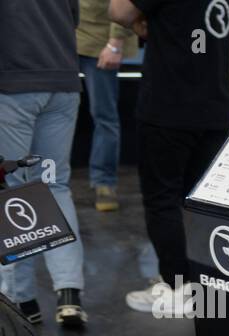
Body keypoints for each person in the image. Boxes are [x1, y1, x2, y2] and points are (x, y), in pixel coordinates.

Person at [110, 0, 229, 316]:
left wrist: (140, 20)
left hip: (170, 105)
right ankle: (201, 283)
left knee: (162, 199)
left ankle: (178, 286)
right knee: (199, 203)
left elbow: (118, 11)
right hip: (214, 104)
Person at [0, 0, 88, 328]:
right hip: (62, 84)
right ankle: (69, 293)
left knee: (14, 190)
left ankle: (19, 302)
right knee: (53, 185)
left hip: (13, 88)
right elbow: (74, 17)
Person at [78, 0, 138, 213]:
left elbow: (126, 4)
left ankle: (104, 183)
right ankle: (43, 183)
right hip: (60, 37)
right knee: (49, 113)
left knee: (104, 116)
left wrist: (115, 42)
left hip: (100, 39)